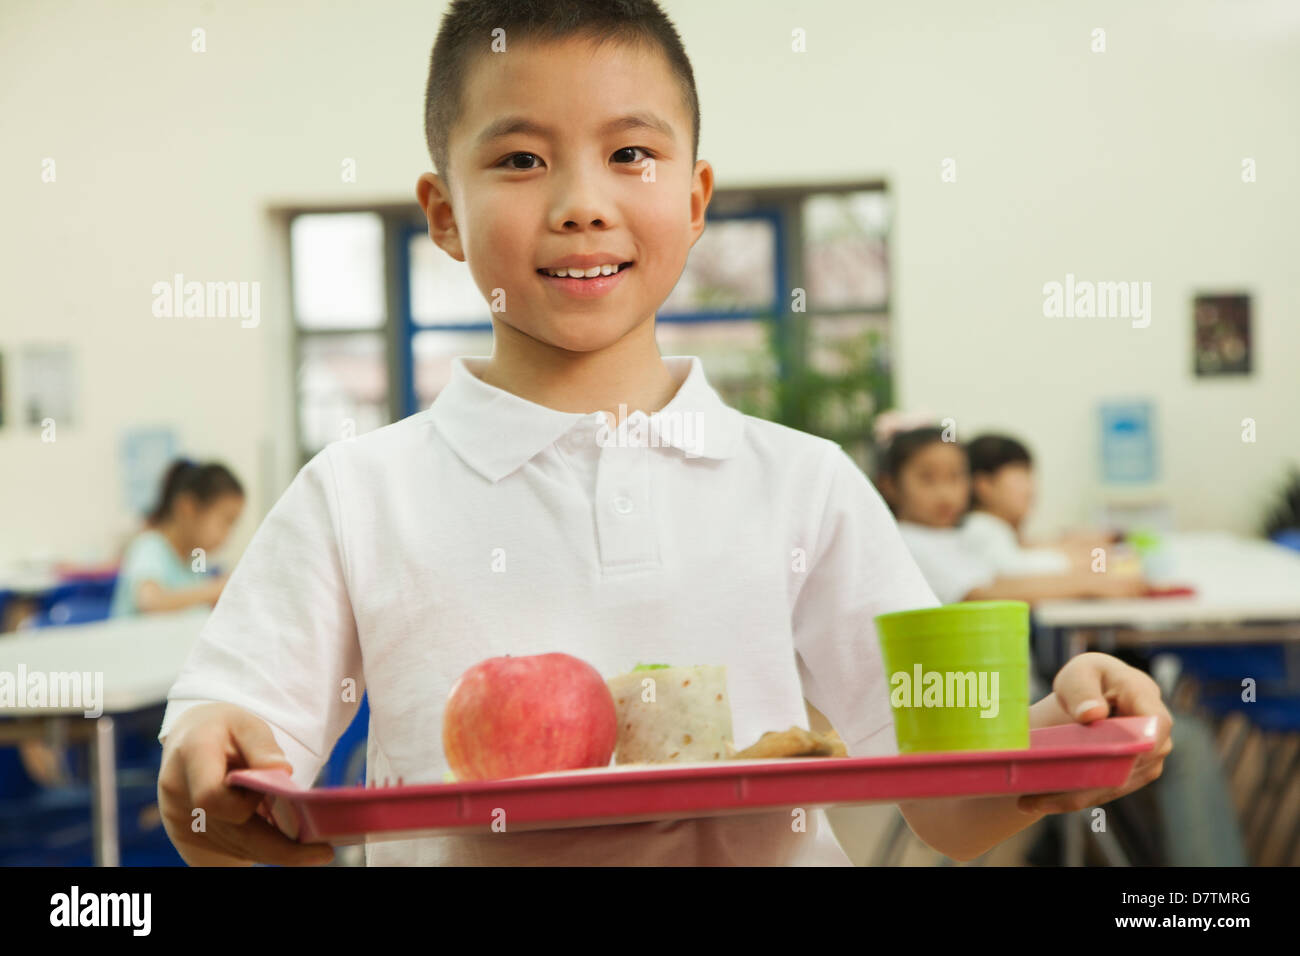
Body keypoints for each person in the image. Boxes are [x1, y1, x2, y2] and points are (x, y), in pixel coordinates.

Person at [156, 0, 1171, 868]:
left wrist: (1068, 730)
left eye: (629, 153)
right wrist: (209, 760)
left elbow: (946, 797)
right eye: (519, 158)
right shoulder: (357, 492)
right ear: (444, 213)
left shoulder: (802, 485)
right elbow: (230, 742)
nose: (581, 204)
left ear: (693, 202)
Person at [876, 427, 1148, 605]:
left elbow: (996, 578)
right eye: (928, 479)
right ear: (889, 485)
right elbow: (982, 594)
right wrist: (1089, 584)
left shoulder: (947, 537)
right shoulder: (910, 542)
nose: (946, 493)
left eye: (955, 478)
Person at [964, 433, 1117, 576]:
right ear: (984, 485)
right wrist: (1077, 559)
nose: (1031, 488)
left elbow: (1020, 551)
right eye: (1020, 477)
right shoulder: (980, 527)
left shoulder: (997, 531)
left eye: (1030, 476)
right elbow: (1012, 569)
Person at [109, 459, 244, 617]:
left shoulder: (196, 556)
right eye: (226, 521)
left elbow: (199, 599)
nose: (228, 534)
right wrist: (216, 588)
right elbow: (150, 602)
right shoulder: (149, 546)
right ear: (188, 508)